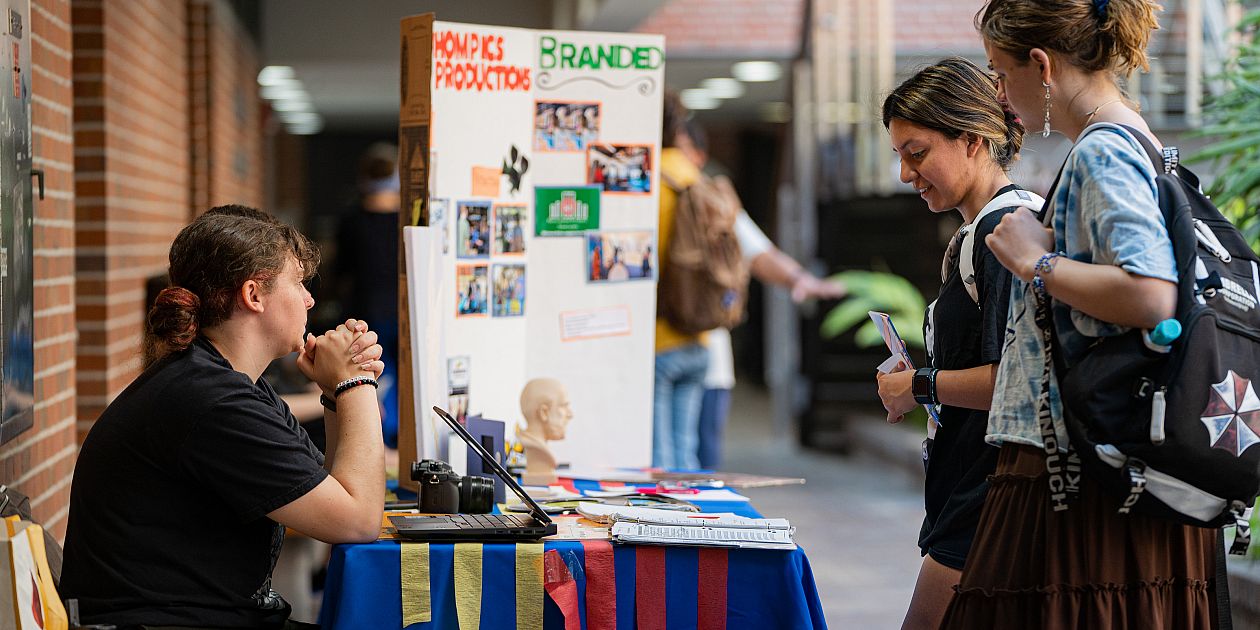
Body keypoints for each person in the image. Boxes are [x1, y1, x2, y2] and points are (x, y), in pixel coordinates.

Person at [940, 1, 1220, 627]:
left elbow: (1151, 293)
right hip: (1115, 462)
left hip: (1078, 471)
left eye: (1000, 72)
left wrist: (1033, 261)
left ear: (1041, 65)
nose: (999, 92)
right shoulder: (1139, 138)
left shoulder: (1102, 150)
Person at [61, 207, 387, 629]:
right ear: (253, 295)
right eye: (298, 283)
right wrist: (356, 382)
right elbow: (358, 521)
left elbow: (327, 486)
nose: (309, 299)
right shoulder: (212, 400)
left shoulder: (233, 384)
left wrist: (334, 392)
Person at [874, 57, 1029, 630]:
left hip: (989, 495)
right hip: (978, 489)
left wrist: (917, 386)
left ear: (972, 140)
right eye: (900, 156)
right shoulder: (987, 230)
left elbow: (1017, 380)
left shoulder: (1003, 234)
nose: (905, 174)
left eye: (917, 153)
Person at [682, 120, 847, 470]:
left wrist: (799, 279)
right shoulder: (652, 199)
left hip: (706, 360)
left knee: (699, 467)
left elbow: (758, 253)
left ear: (699, 156)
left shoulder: (711, 202)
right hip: (658, 361)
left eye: (680, 153)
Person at [653, 93, 711, 469]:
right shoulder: (695, 176)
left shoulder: (649, 177)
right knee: (685, 454)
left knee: (659, 460)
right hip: (698, 334)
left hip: (658, 338)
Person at [334, 142, 400, 448]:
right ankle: (392, 438)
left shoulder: (351, 221)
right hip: (400, 311)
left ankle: (375, 439)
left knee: (368, 375)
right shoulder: (408, 219)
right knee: (396, 377)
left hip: (365, 311)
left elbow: (341, 271)